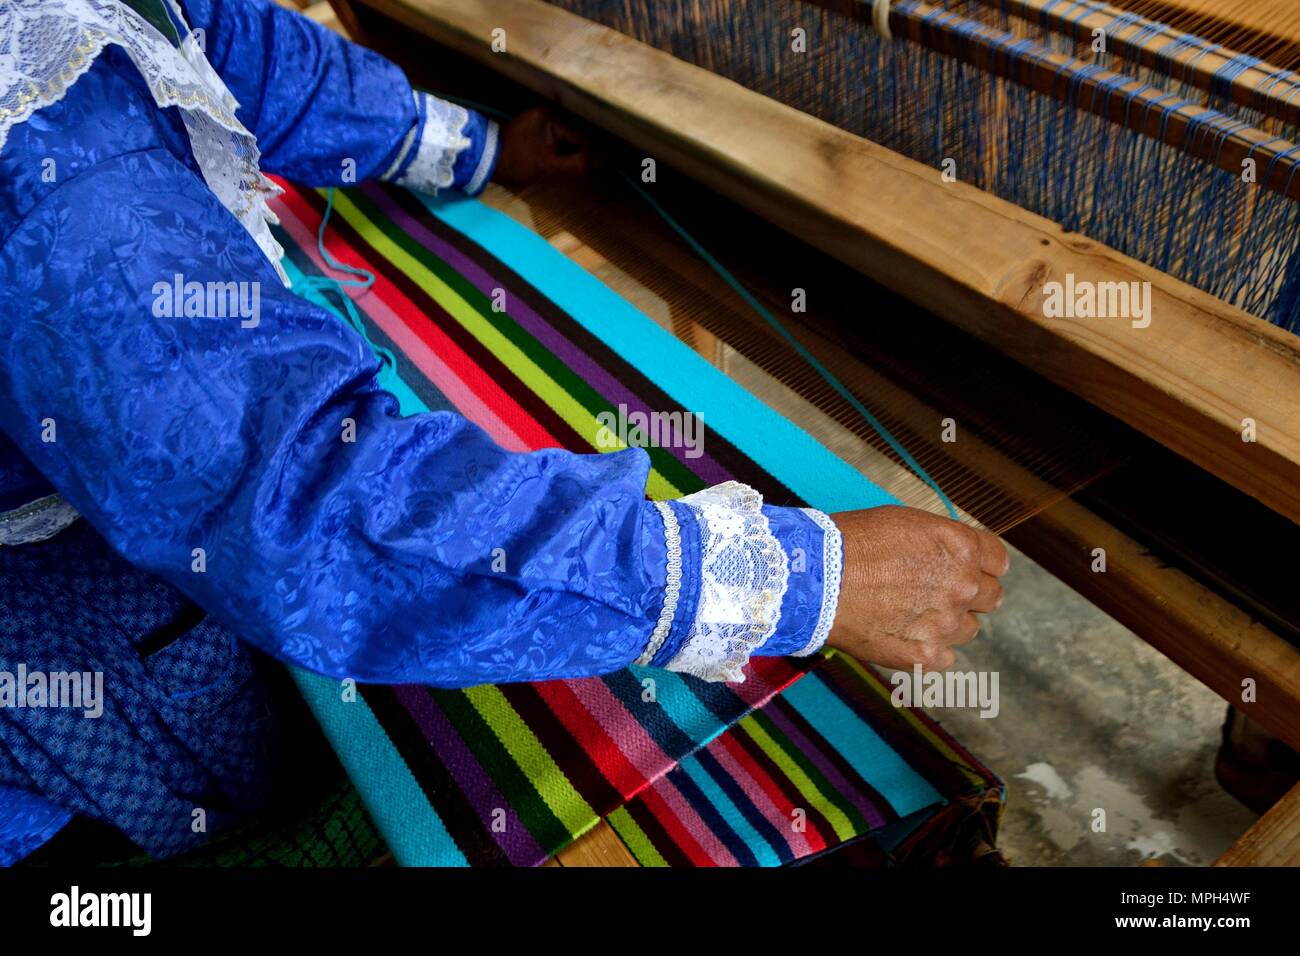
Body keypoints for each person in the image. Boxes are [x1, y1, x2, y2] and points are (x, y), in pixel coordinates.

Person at [0, 0, 1008, 862]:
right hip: (66, 727)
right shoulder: (52, 143)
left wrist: (474, 146)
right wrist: (799, 579)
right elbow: (305, 514)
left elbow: (229, 47)